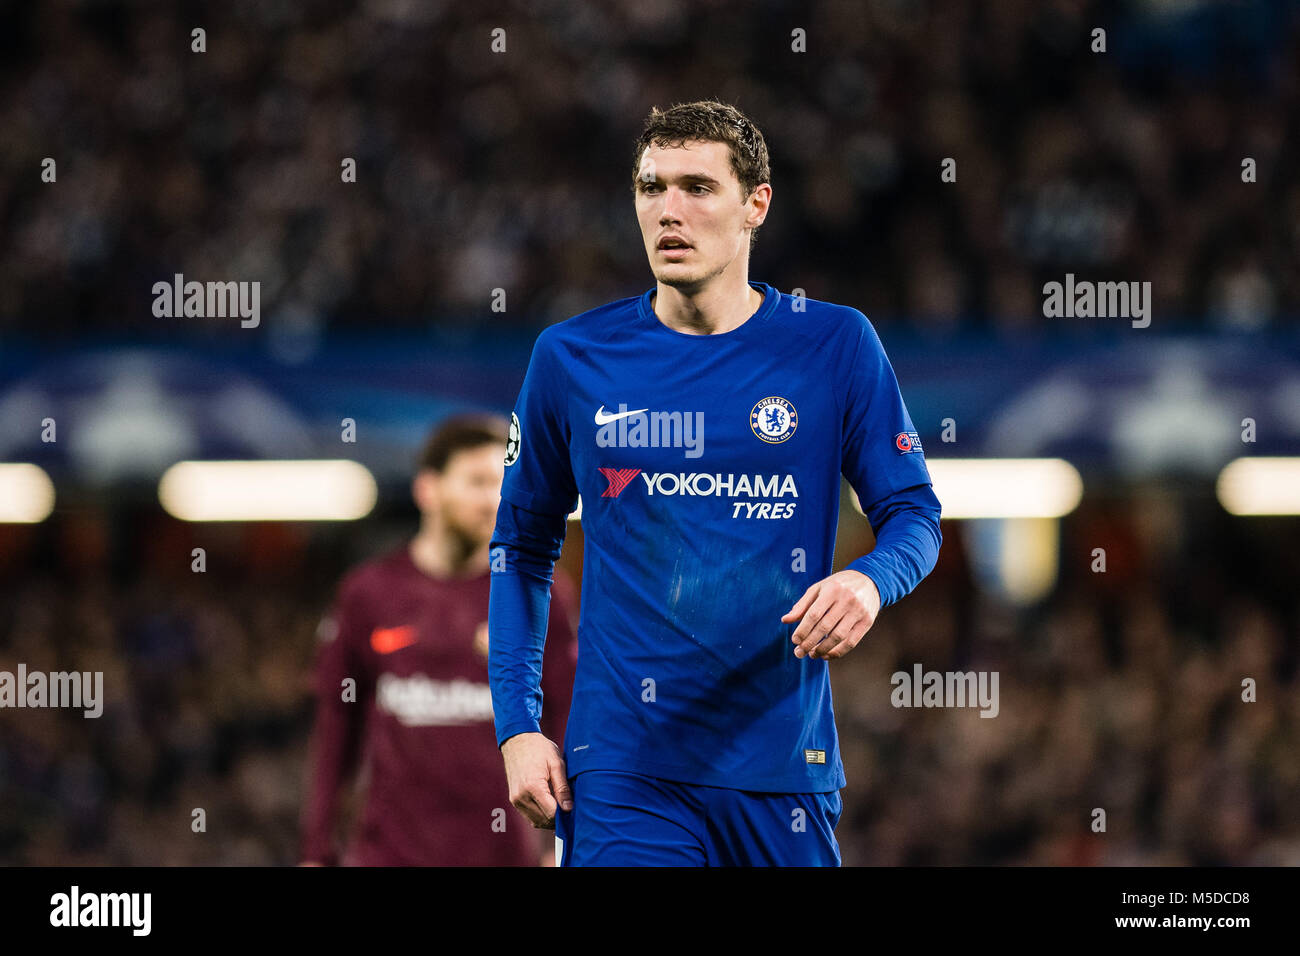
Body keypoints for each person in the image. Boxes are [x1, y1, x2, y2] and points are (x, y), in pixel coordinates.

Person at [488, 100, 942, 866]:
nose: (668, 210)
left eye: (697, 187)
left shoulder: (834, 344)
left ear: (755, 206)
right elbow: (520, 549)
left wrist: (870, 581)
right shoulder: (570, 356)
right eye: (650, 187)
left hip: (779, 770)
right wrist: (518, 726)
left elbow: (913, 514)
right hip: (624, 769)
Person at [300, 413, 578, 866]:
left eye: (501, 484)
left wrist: (562, 845)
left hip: (504, 856)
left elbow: (568, 718)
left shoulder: (540, 591)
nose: (494, 499)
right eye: (477, 481)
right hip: (389, 854)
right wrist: (315, 852)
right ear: (427, 489)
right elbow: (335, 730)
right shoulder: (367, 593)